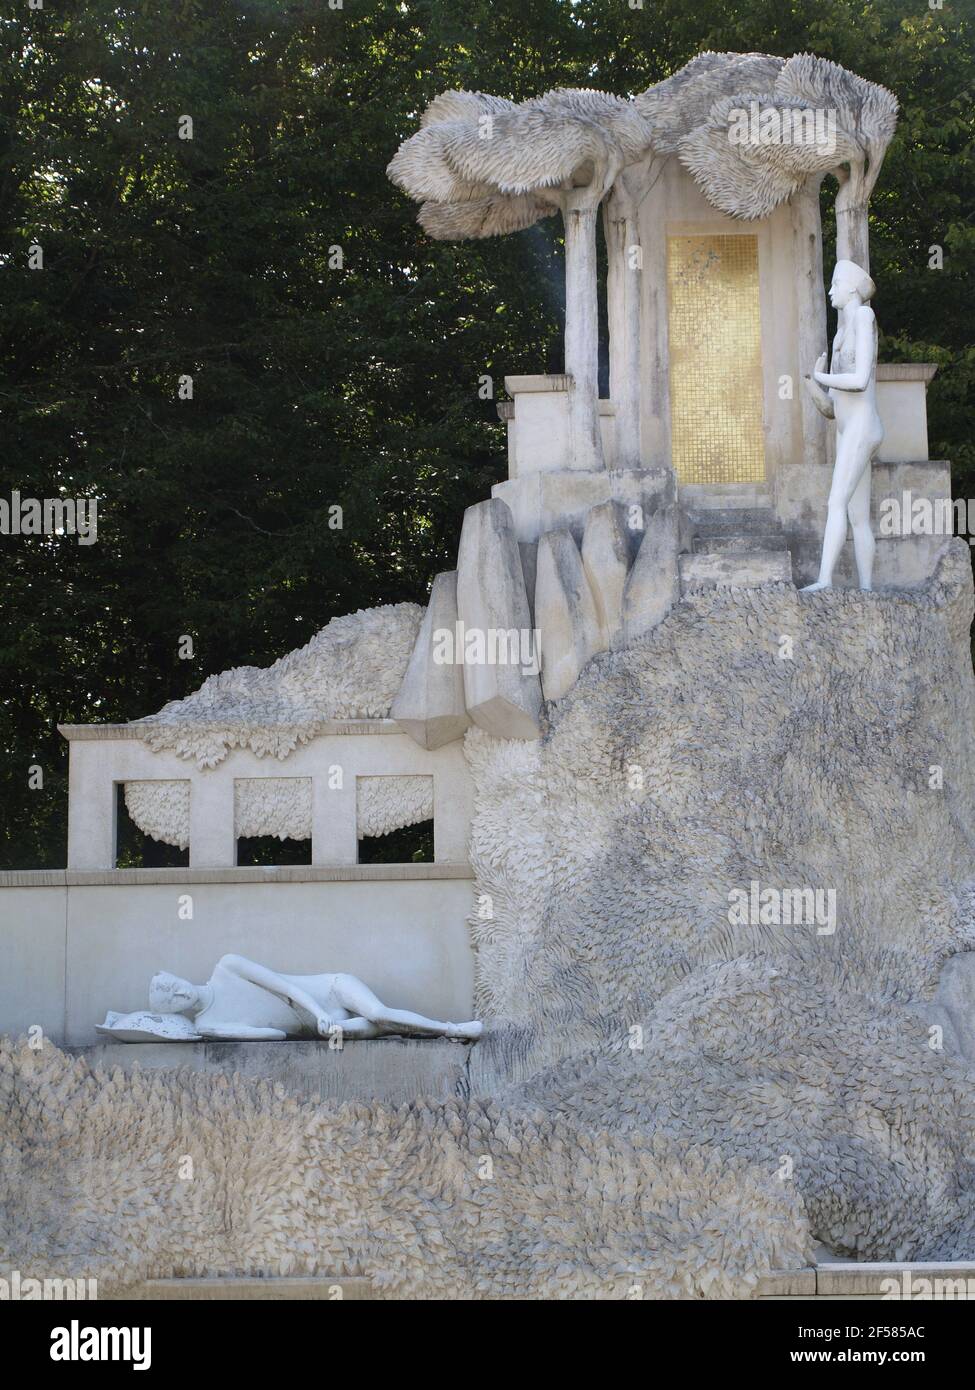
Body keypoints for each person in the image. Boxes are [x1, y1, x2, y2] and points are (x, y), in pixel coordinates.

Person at [98, 953, 482, 1042]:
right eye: (167, 999)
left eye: (168, 984)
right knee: (380, 1028)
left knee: (379, 1012)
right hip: (324, 1030)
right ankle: (443, 1032)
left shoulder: (227, 965)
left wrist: (317, 1012)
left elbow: (284, 987)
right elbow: (276, 1036)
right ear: (171, 1011)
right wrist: (214, 1033)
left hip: (326, 990)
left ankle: (453, 1027)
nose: (175, 991)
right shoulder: (208, 1024)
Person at [802, 259, 884, 592]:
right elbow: (832, 408)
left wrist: (824, 376)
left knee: (836, 502)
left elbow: (861, 379)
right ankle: (866, 590)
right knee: (857, 516)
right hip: (847, 428)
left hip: (863, 427)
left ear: (852, 288)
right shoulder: (839, 336)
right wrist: (812, 384)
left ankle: (824, 579)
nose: (831, 290)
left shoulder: (864, 316)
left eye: (836, 284)